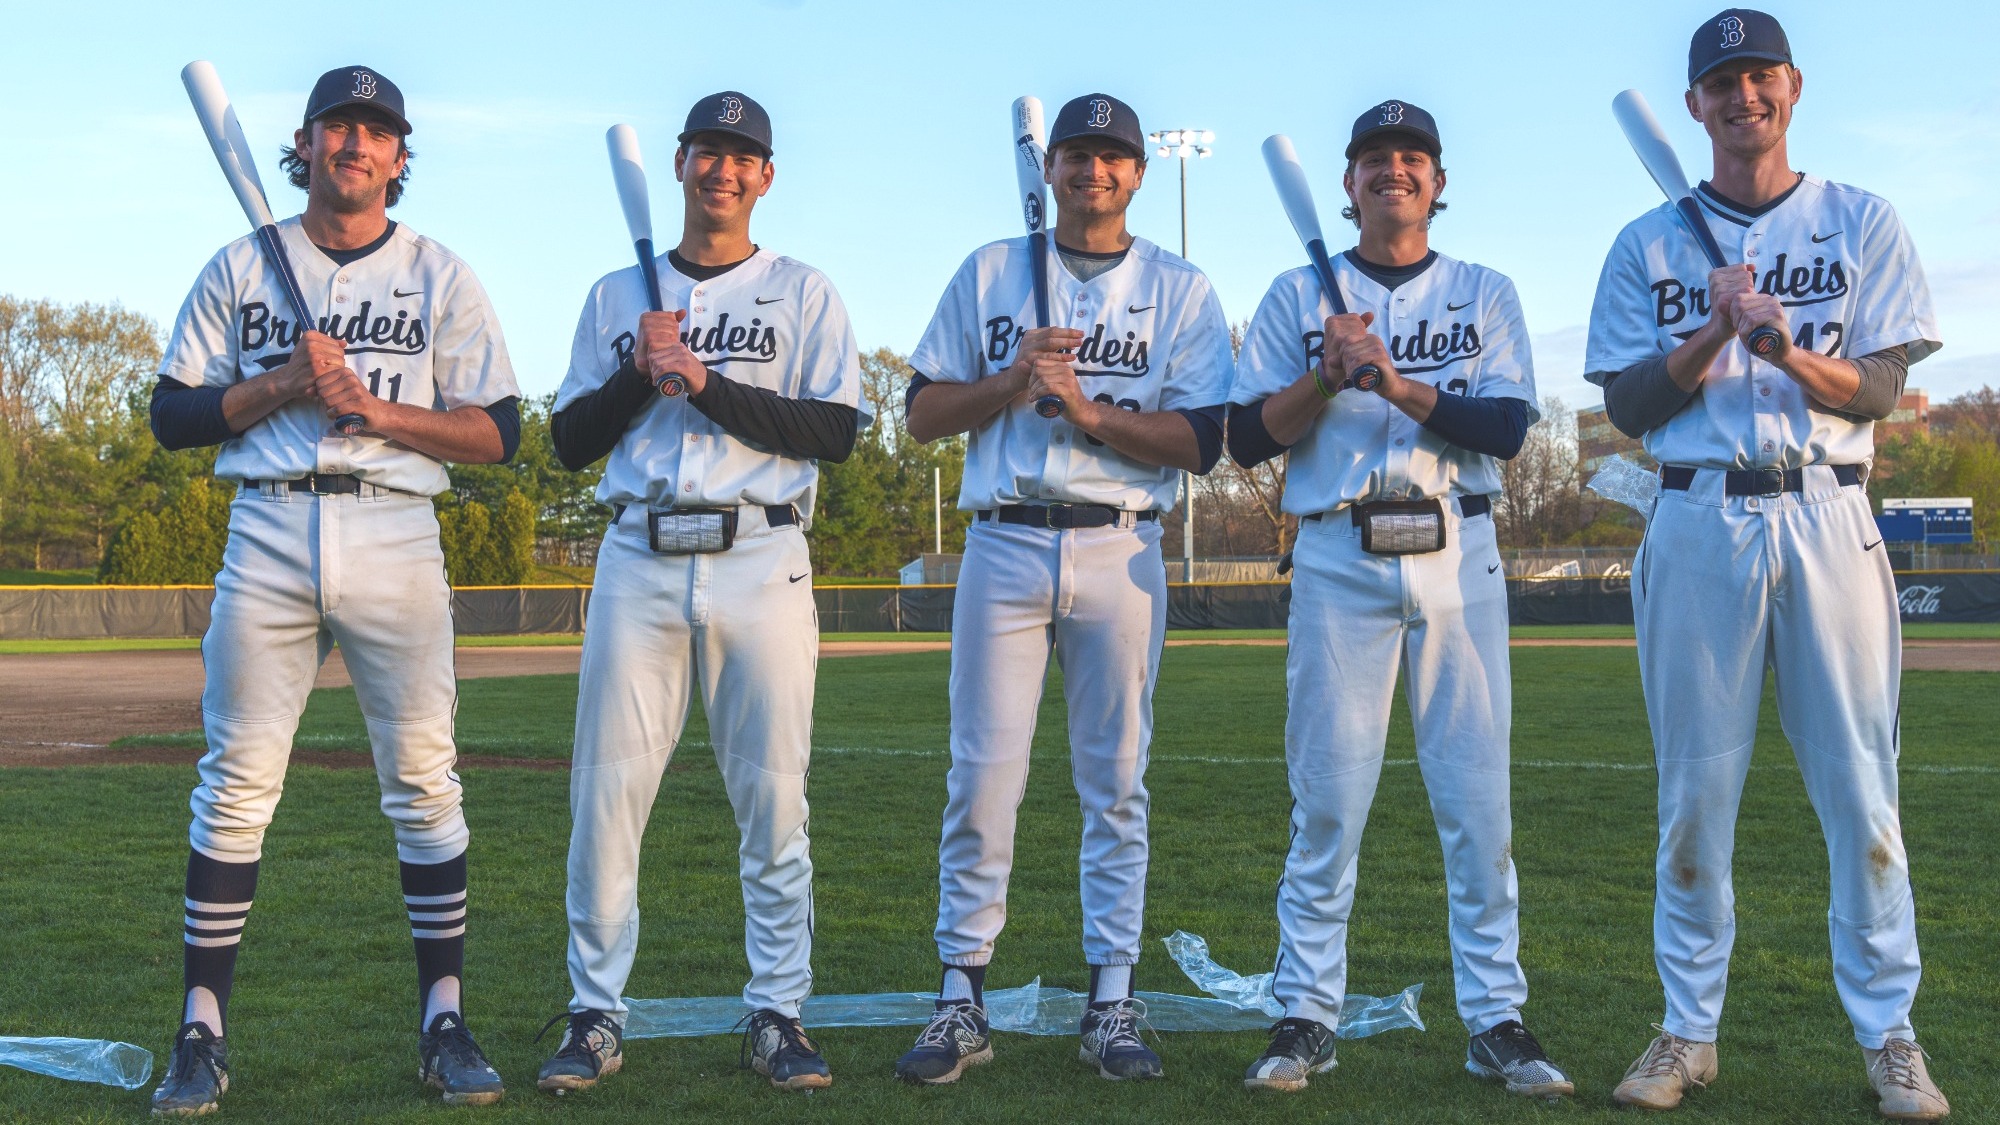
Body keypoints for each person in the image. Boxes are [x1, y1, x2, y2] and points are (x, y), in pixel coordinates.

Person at [1585, 11, 1947, 1120]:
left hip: (1830, 509)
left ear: (1792, 87)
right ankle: (1685, 1030)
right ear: (1694, 104)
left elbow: (1881, 386)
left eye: (1759, 77)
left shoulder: (1859, 218)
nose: (1742, 96)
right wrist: (1709, 334)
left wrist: (1783, 347)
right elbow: (1628, 407)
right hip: (1697, 515)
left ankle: (1890, 1035)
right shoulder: (1647, 241)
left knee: (1862, 792)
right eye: (1721, 82)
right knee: (1694, 794)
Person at [146, 65, 520, 1114]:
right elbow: (172, 416)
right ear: (303, 145)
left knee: (425, 782)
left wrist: (379, 410)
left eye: (375, 132)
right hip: (267, 526)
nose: (355, 144)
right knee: (235, 784)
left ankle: (445, 1021)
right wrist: (284, 383)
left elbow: (498, 431)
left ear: (399, 159)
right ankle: (200, 1031)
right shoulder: (239, 265)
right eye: (336, 127)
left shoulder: (439, 273)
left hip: (396, 527)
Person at [1226, 100, 1571, 1100]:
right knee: (1328, 801)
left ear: (1437, 180)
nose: (1394, 170)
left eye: (1412, 157)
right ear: (1347, 184)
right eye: (1374, 158)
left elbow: (1505, 429)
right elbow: (1244, 439)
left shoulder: (1484, 290)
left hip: (1458, 548)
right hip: (1338, 552)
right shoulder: (1296, 294)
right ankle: (1305, 1014)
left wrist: (1398, 384)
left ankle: (1495, 1019)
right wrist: (1326, 376)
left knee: (1475, 801)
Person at [892, 92, 1231, 1086]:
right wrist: (1011, 382)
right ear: (1048, 170)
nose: (1093, 170)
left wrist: (1085, 411)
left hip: (1121, 546)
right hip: (1002, 543)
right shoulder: (991, 270)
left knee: (1115, 781)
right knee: (980, 776)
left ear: (1138, 173)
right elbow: (920, 414)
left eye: (1112, 157)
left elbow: (1202, 440)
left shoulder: (1180, 288)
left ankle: (1111, 998)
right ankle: (960, 997)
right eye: (1076, 155)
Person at [535, 91, 863, 1095]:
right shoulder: (613, 297)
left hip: (762, 555)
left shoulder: (802, 291)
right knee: (605, 799)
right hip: (637, 557)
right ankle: (594, 1013)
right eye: (706, 151)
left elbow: (834, 433)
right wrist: (643, 369)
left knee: (773, 801)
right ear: (678, 164)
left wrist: (705, 382)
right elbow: (568, 443)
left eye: (741, 155)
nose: (722, 169)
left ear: (765, 176)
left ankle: (778, 1012)